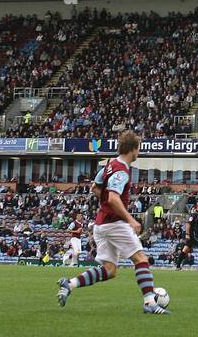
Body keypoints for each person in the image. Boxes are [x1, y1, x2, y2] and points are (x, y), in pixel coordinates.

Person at [56, 130, 168, 315]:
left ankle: (69, 284)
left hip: (101, 224)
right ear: (132, 149)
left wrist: (107, 202)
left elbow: (95, 188)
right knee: (141, 259)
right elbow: (114, 198)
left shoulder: (110, 165)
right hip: (114, 223)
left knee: (110, 270)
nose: (138, 152)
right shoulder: (121, 170)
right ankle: (149, 302)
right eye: (138, 148)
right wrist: (131, 219)